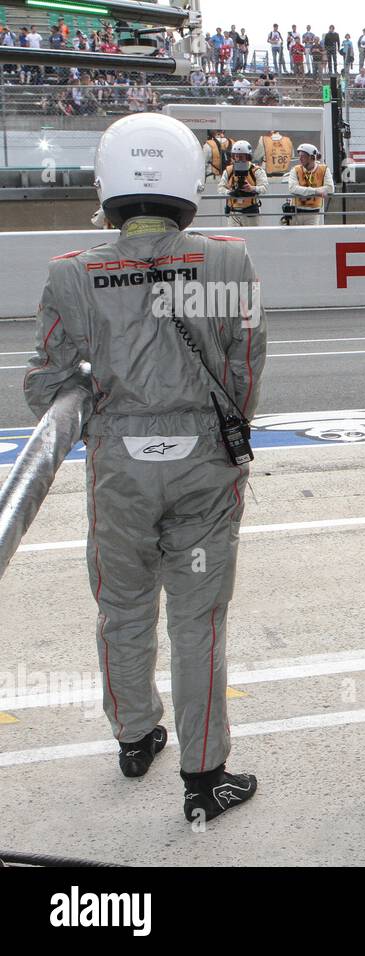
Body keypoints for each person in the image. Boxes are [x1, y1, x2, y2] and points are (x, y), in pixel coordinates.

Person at [23, 113, 265, 821]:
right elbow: (247, 370)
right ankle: (204, 775)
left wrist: (103, 405)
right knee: (200, 622)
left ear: (109, 184)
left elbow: (45, 385)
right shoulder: (228, 262)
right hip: (203, 461)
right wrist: (225, 440)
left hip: (120, 463)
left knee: (122, 607)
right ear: (188, 183)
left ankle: (135, 737)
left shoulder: (72, 275)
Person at [219, 139, 267, 226]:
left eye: (241, 156)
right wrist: (229, 192)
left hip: (250, 212)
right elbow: (220, 187)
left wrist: (252, 188)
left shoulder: (256, 170)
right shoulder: (229, 170)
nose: (238, 159)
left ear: (247, 157)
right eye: (236, 156)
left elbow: (264, 188)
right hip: (233, 212)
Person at [284, 144, 333, 225]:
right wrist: (316, 191)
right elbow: (292, 188)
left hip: (313, 212)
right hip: (295, 211)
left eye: (303, 156)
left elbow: (330, 188)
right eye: (299, 156)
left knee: (311, 237)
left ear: (311, 157)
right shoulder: (295, 170)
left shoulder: (324, 169)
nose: (300, 159)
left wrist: (303, 191)